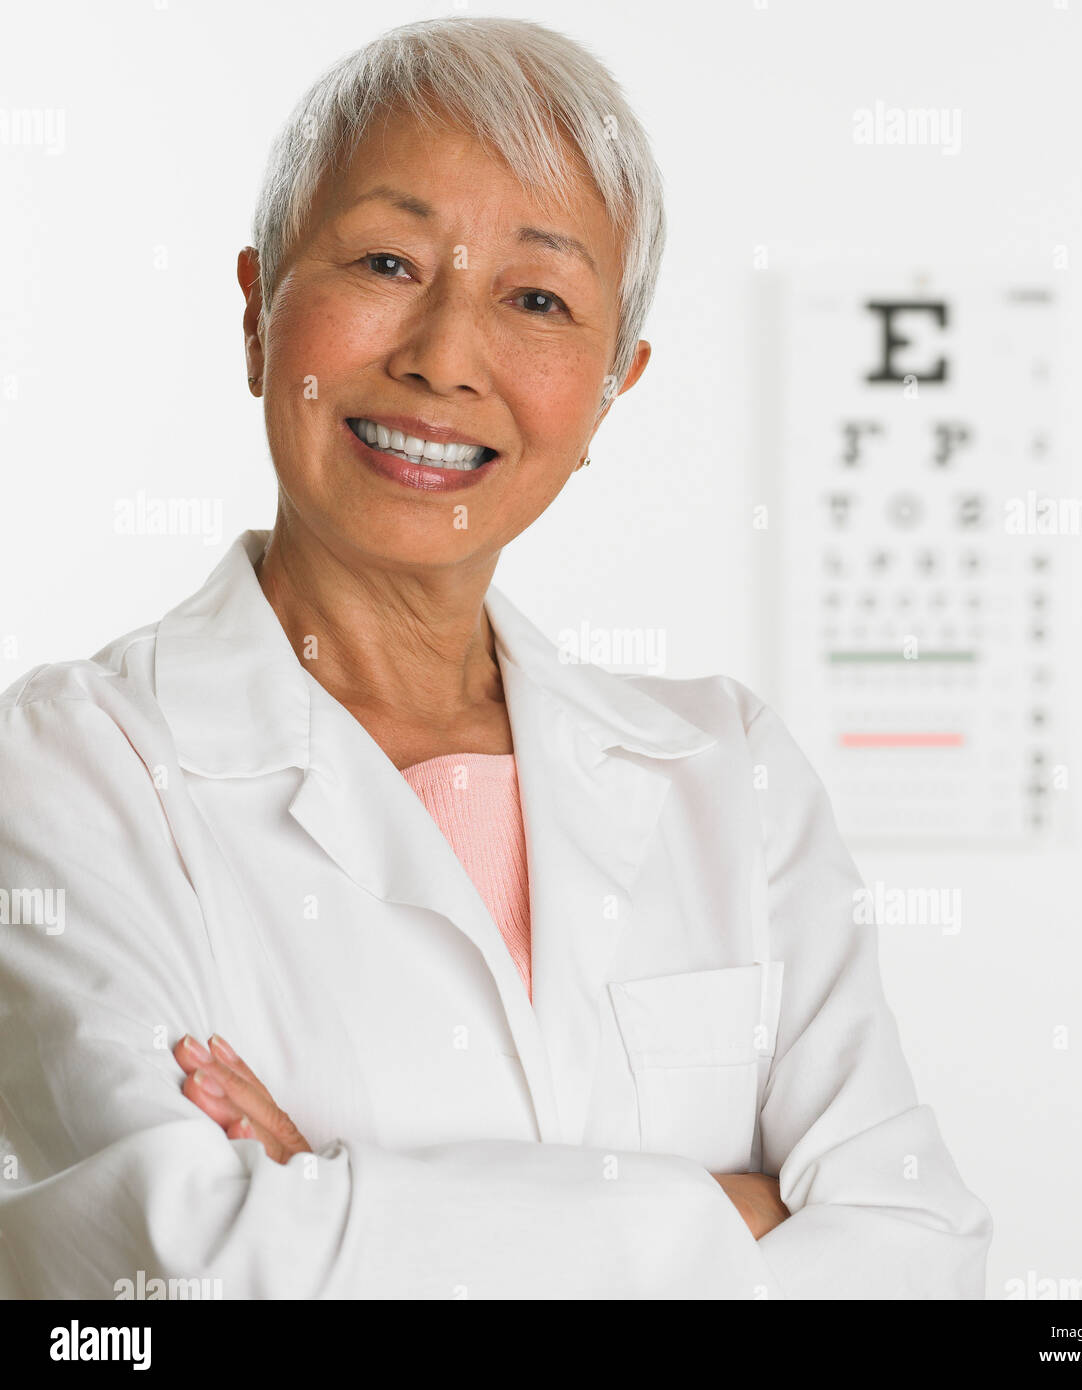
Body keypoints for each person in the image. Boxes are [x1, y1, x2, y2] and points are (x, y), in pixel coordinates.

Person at [0, 16, 990, 1298]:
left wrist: (342, 1200)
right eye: (386, 260)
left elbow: (920, 1254)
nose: (442, 358)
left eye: (536, 297)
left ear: (609, 394)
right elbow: (184, 1267)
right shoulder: (72, 764)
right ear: (257, 316)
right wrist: (724, 1215)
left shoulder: (727, 770)